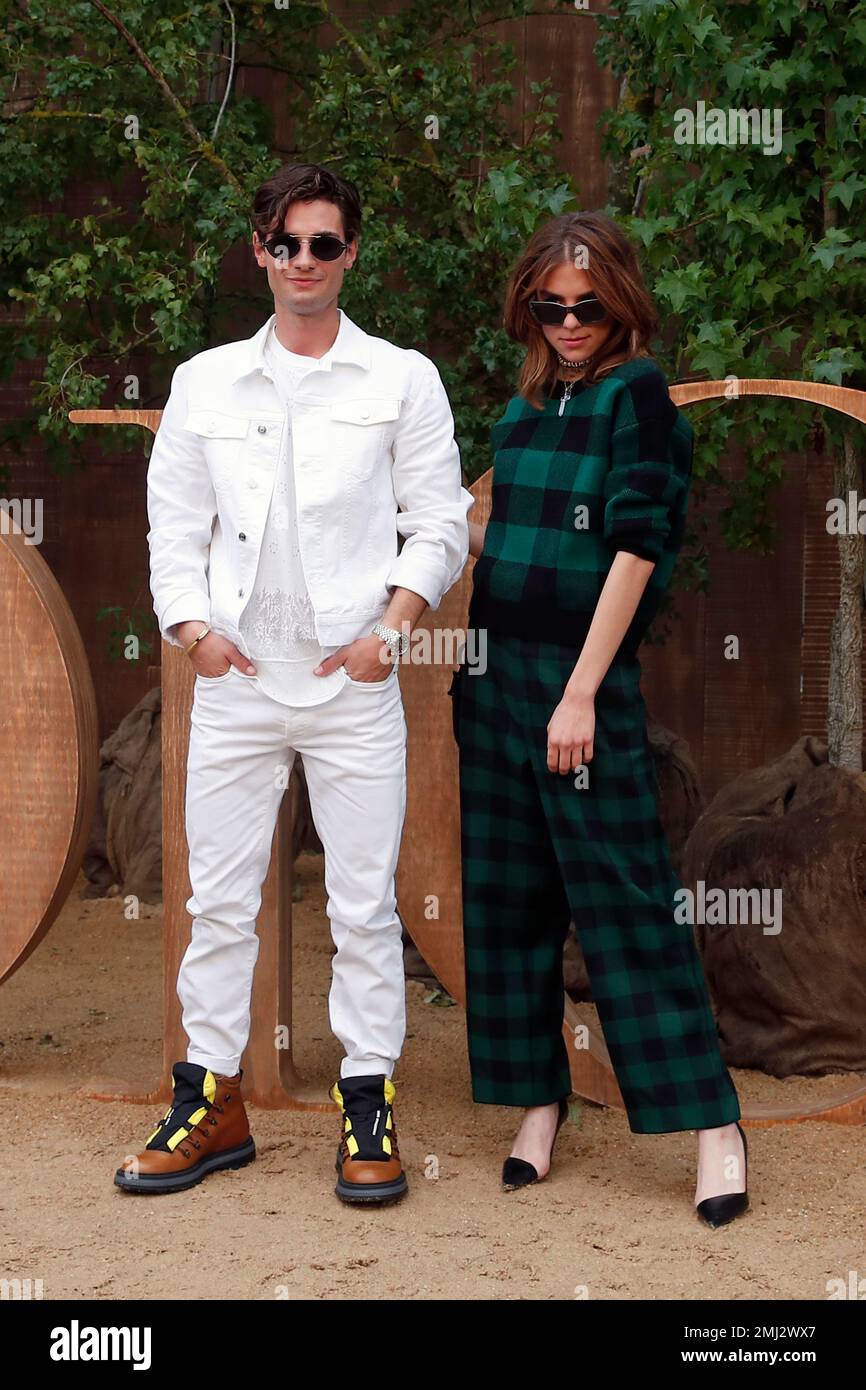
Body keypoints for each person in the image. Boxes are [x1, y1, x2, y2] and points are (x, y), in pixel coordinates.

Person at [115, 162, 473, 1204]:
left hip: (354, 683)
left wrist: (391, 631)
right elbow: (172, 523)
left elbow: (440, 518)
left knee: (362, 906)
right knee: (216, 903)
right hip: (234, 683)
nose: (303, 261)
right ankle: (208, 1103)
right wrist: (189, 628)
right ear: (259, 252)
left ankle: (368, 1108)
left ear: (350, 253)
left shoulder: (400, 378)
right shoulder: (203, 381)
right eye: (285, 243)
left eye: (324, 243)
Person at [451, 210, 749, 1229]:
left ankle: (713, 1123)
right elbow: (489, 538)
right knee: (505, 903)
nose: (570, 322)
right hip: (491, 674)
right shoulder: (521, 409)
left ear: (616, 301)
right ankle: (536, 1103)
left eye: (588, 306)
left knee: (625, 901)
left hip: (578, 680)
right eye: (551, 306)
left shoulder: (639, 398)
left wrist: (580, 689)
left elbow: (633, 548)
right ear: (528, 305)